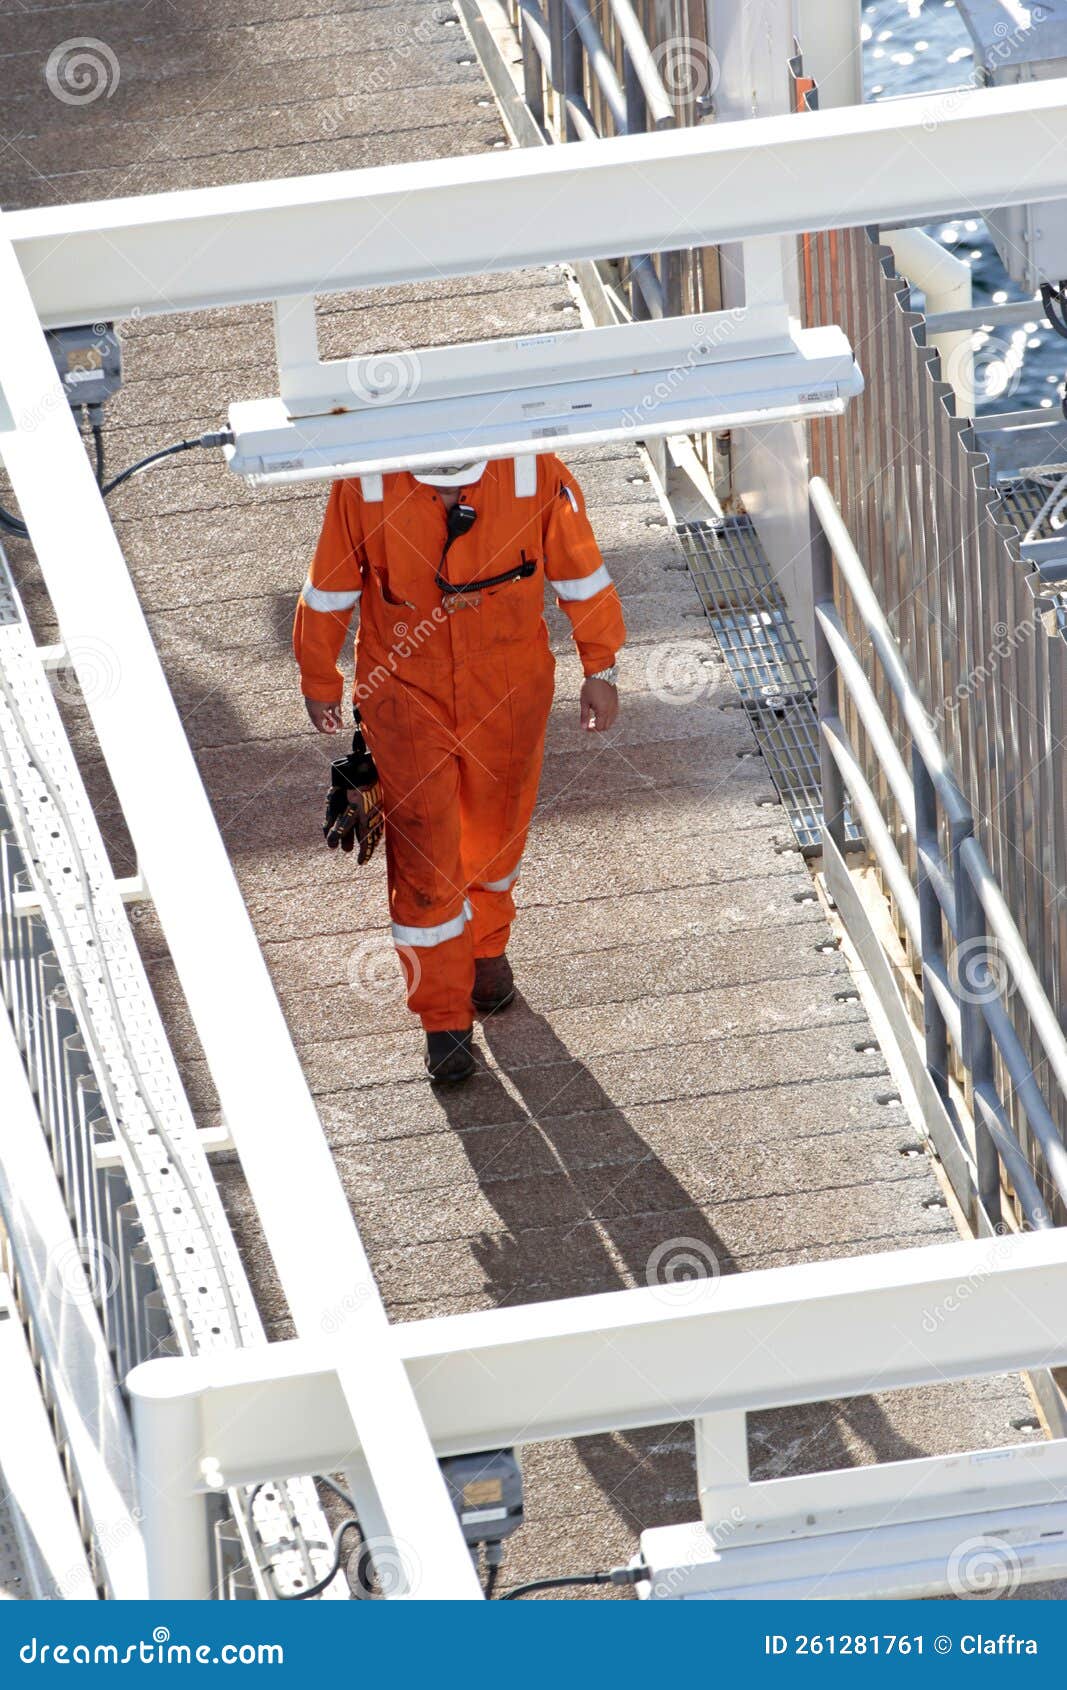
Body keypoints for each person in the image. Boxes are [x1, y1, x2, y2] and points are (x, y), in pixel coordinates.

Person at [293, 454, 625, 1082]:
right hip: (404, 694)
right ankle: (444, 1018)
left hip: (509, 692)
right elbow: (332, 583)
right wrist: (318, 674)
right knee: (423, 859)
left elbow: (581, 572)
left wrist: (600, 667)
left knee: (497, 841)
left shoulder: (533, 473)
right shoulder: (364, 486)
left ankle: (486, 949)